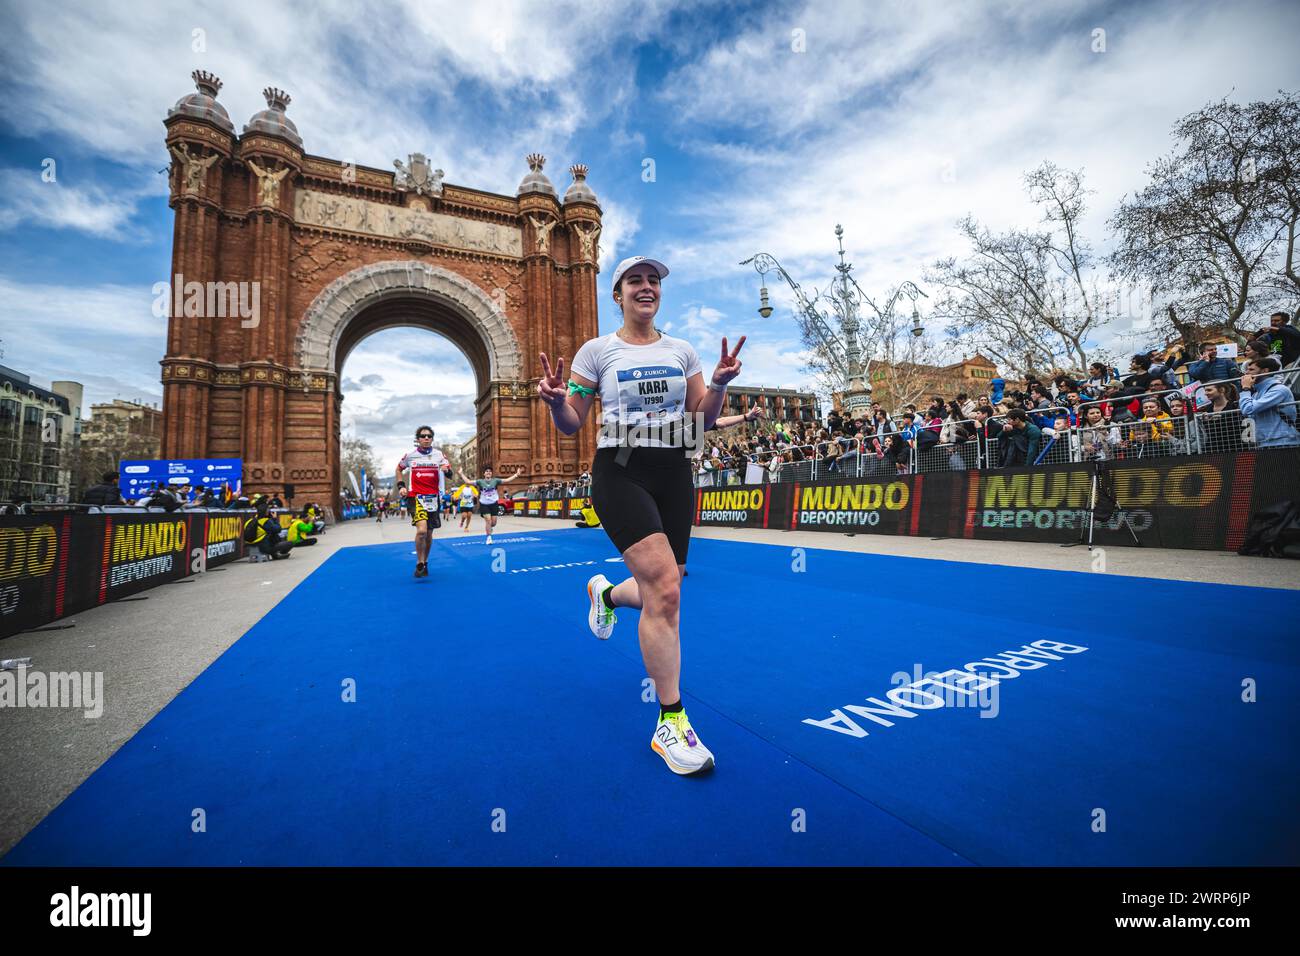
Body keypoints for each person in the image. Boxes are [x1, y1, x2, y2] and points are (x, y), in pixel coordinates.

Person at [537, 254, 745, 777]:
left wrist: (717, 384)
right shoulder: (596, 351)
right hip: (620, 469)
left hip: (675, 469)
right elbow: (571, 424)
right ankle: (670, 722)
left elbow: (703, 421)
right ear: (618, 293)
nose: (646, 287)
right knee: (666, 590)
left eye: (653, 280)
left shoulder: (683, 351)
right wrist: (557, 401)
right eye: (636, 280)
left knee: (667, 582)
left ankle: (605, 593)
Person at [395, 425, 449, 578]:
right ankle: (419, 561)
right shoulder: (410, 455)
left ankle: (425, 562)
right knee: (422, 531)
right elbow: (398, 469)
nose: (426, 438)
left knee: (429, 534)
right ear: (418, 439)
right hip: (416, 497)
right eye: (423, 436)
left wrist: (447, 470)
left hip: (433, 498)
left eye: (429, 436)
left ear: (432, 439)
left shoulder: (439, 455)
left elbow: (448, 471)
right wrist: (401, 486)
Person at [1240, 357, 1300, 448]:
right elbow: (1247, 413)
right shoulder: (1257, 393)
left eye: (1251, 370)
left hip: (1283, 442)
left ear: (1265, 371)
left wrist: (1245, 389)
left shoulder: (1279, 389)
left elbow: (1248, 409)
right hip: (1264, 443)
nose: (1247, 373)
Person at [459, 465, 525, 545]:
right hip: (484, 504)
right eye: (486, 471)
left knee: (493, 523)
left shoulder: (495, 481)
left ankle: (490, 528)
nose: (488, 472)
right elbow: (468, 482)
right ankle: (489, 538)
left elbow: (507, 480)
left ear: (491, 473)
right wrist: (461, 473)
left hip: (493, 504)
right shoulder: (480, 481)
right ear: (484, 474)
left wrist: (516, 475)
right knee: (488, 520)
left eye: (490, 471)